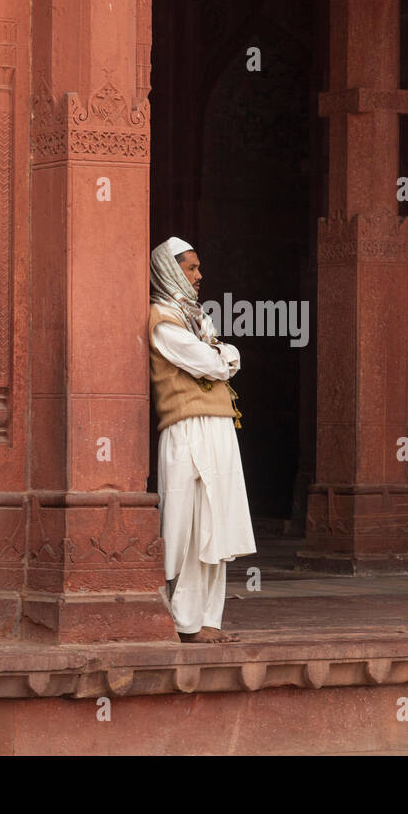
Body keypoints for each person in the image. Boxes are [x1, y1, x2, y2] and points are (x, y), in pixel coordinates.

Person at [148, 236, 256, 643]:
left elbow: (217, 358)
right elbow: (212, 361)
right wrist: (223, 356)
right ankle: (183, 621)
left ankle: (208, 622)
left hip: (218, 426)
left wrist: (220, 357)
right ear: (170, 270)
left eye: (197, 267)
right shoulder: (163, 319)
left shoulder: (194, 318)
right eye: (190, 268)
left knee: (216, 525)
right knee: (188, 525)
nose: (198, 276)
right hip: (186, 428)